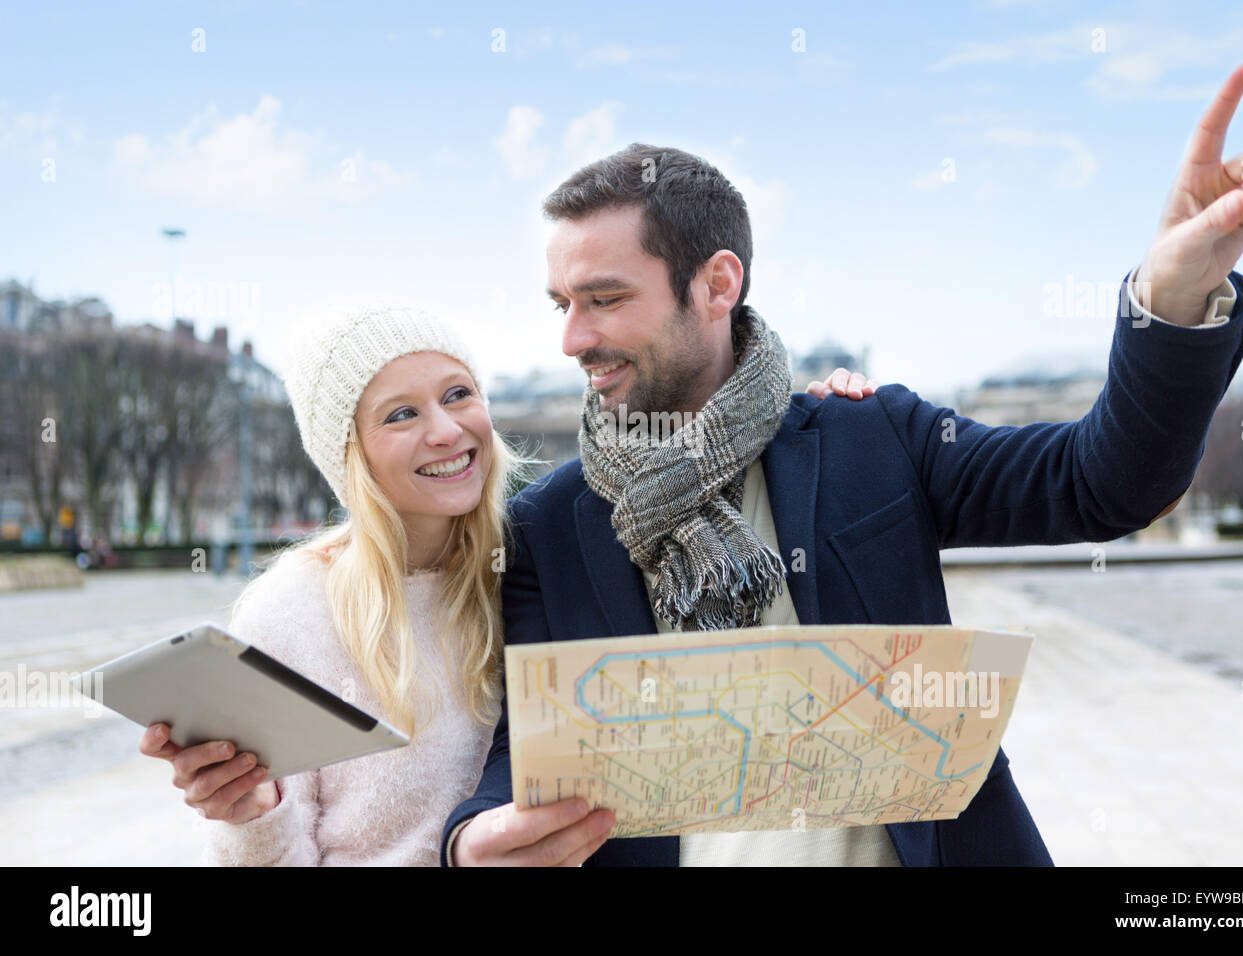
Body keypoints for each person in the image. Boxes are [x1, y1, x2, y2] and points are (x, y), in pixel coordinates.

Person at [444, 64, 1243, 866]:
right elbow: (522, 750)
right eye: (562, 304)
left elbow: (1103, 484)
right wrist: (469, 837)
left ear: (716, 283)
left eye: (605, 298)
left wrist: (1172, 303)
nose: (572, 339)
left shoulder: (873, 436)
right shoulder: (547, 524)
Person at [137, 300, 871, 865]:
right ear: (348, 455)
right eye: (401, 414)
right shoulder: (290, 612)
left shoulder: (537, 560)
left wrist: (808, 418)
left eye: (458, 394)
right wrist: (250, 813)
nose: (447, 430)